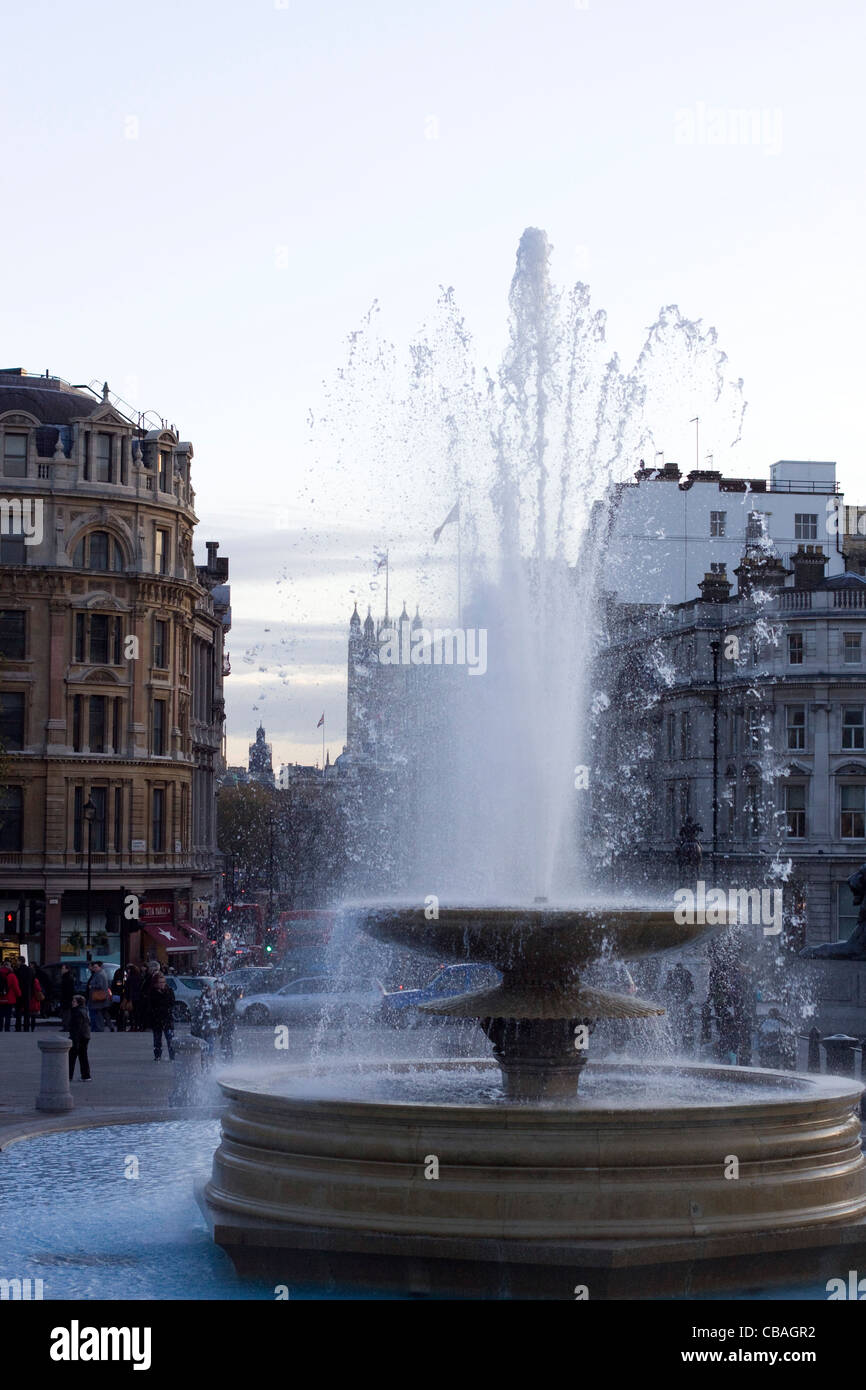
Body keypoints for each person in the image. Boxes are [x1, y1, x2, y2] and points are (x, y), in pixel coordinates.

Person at [147, 972, 176, 1061]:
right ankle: (157, 1056)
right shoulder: (152, 992)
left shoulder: (169, 991)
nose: (162, 984)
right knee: (157, 1040)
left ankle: (172, 1056)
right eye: (160, 982)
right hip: (157, 1019)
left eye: (163, 982)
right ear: (155, 983)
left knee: (170, 1039)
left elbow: (172, 1003)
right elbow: (151, 1006)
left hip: (167, 1018)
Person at [190, 984, 221, 1063]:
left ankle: (206, 1063)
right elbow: (217, 1016)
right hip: (207, 1029)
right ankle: (208, 1063)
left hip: (205, 1029)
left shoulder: (202, 1001)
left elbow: (195, 1016)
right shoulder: (211, 1002)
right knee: (208, 1047)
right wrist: (219, 1027)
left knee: (206, 1047)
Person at [68, 994, 92, 1081]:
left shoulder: (77, 1012)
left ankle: (68, 1076)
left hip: (78, 1037)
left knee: (72, 1057)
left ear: (78, 1003)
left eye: (74, 1001)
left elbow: (76, 1027)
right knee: (83, 1056)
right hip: (85, 1036)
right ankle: (86, 1075)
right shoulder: (84, 1010)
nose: (72, 1003)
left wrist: (74, 1039)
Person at [86, 960, 111, 1033]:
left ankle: (99, 1028)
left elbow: (100, 985)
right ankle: (106, 1027)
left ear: (99, 967)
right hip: (99, 998)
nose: (94, 968)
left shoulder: (99, 974)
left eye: (96, 967)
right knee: (102, 1014)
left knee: (98, 1015)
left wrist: (91, 986)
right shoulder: (99, 973)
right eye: (94, 967)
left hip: (98, 997)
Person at [214, 978, 236, 1061]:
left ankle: (228, 1059)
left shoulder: (226, 995)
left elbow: (228, 1009)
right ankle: (226, 1058)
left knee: (226, 1041)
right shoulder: (221, 995)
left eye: (218, 985)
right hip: (224, 1022)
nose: (216, 987)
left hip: (227, 1022)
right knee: (224, 1041)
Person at [14, 957, 35, 1033]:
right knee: (27, 1011)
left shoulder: (17, 971)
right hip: (27, 992)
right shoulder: (30, 970)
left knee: (18, 1011)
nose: (17, 962)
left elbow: (16, 982)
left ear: (20, 961)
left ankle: (18, 1027)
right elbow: (33, 982)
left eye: (17, 961)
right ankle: (26, 1027)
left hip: (19, 993)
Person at [0, 959, 21, 1031]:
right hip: (9, 998)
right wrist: (19, 994)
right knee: (8, 1015)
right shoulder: (12, 975)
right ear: (9, 967)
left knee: (0, 1015)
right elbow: (16, 987)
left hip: (0, 998)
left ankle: (0, 1028)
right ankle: (7, 1029)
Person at [59, 964, 75, 1033]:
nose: (61, 970)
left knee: (67, 1013)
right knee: (65, 1013)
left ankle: (66, 1027)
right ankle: (66, 1026)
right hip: (66, 998)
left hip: (67, 999)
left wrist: (66, 998)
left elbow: (68, 990)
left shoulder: (67, 978)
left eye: (63, 968)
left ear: (67, 969)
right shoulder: (66, 977)